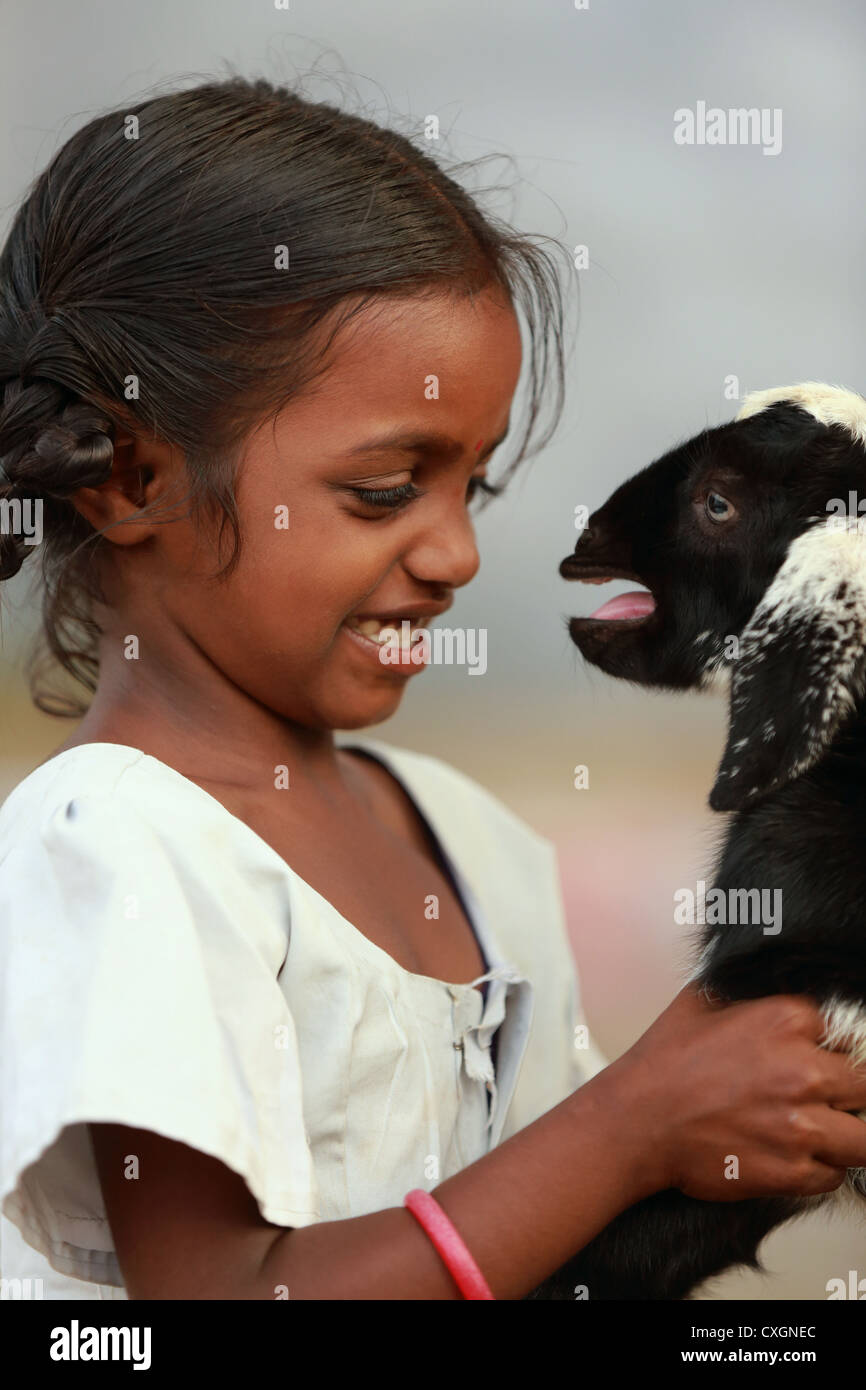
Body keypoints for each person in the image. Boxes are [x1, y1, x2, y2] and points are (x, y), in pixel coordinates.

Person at [1, 74, 865, 1302]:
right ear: (131, 482)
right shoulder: (114, 851)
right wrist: (630, 1128)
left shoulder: (471, 840)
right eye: (383, 490)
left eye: (476, 488)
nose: (455, 554)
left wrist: (749, 1119)